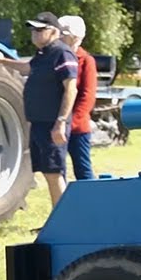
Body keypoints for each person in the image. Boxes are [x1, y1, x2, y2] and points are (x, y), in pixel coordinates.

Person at [0, 12, 78, 205]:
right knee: (47, 172)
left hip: (52, 124)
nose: (34, 34)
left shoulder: (62, 53)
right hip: (38, 123)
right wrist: (2, 61)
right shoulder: (43, 54)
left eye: (39, 30)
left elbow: (71, 89)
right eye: (33, 30)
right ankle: (57, 221)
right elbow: (27, 68)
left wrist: (60, 123)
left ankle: (62, 224)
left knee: (54, 174)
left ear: (53, 31)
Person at [59, 15, 97, 181]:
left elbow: (87, 97)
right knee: (58, 171)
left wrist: (70, 124)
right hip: (58, 126)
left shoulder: (86, 61)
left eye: (63, 33)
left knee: (83, 170)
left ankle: (92, 204)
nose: (59, 37)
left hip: (77, 128)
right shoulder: (58, 57)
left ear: (74, 37)